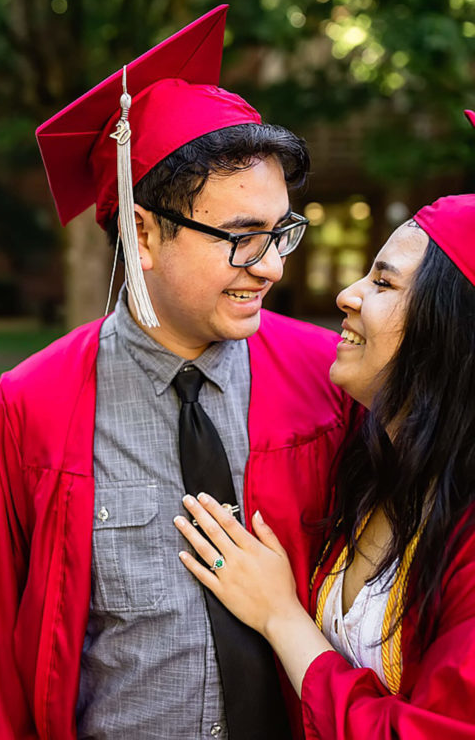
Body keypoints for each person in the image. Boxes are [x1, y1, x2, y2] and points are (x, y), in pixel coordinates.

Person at [0, 5, 361, 739]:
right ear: (143, 233)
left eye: (283, 232)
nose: (272, 266)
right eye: (243, 239)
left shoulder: (331, 381)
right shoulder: (32, 406)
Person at [174, 120, 475, 738]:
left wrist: (282, 616)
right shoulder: (372, 467)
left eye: (383, 282)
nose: (346, 293)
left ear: (450, 332)